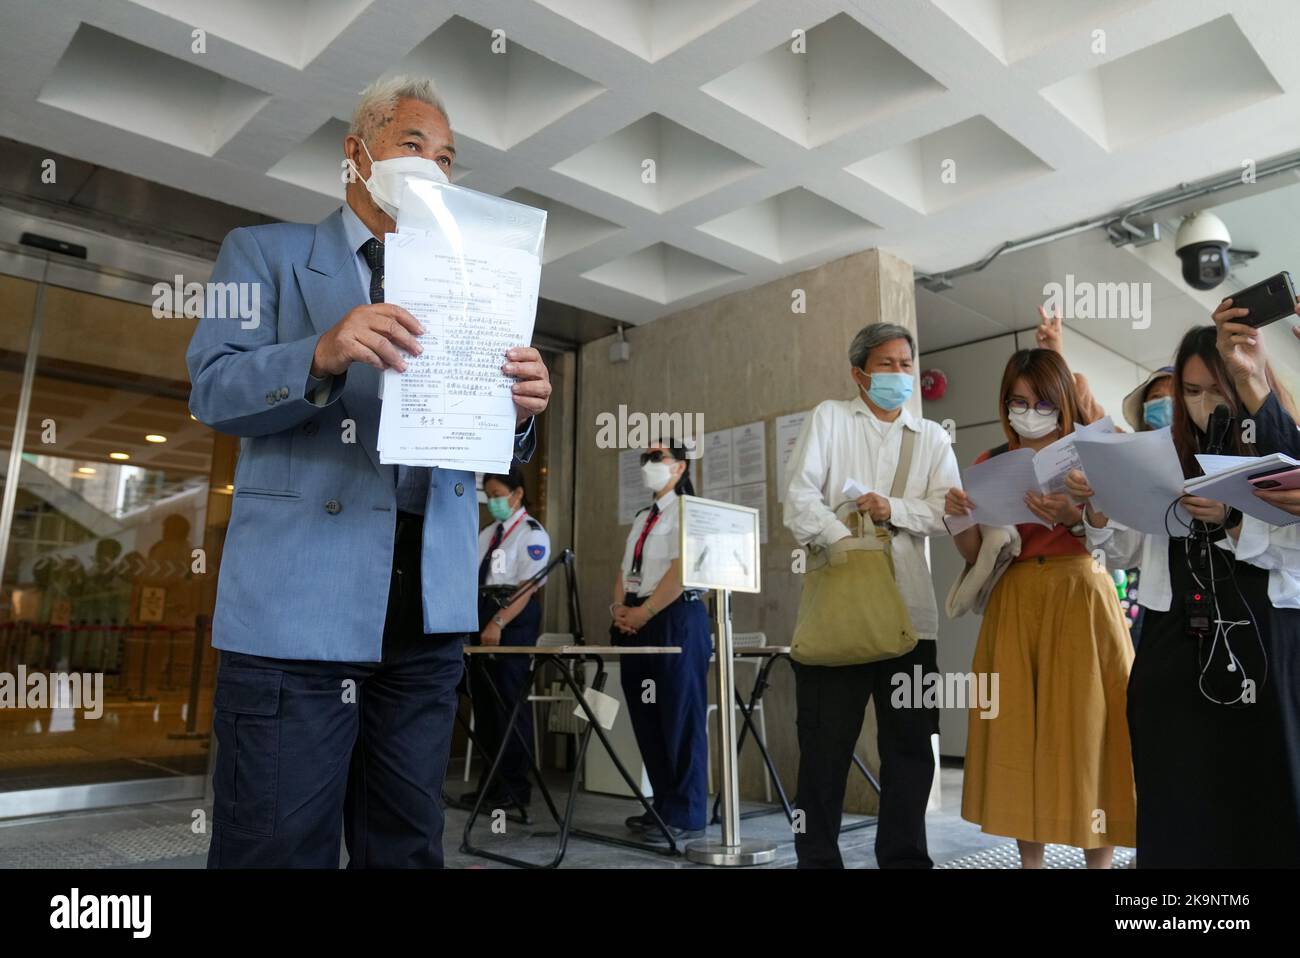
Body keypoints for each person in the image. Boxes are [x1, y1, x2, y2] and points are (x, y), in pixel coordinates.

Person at [187, 75, 551, 868]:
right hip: (299, 607)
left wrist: (517, 417)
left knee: (407, 846)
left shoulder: (472, 284)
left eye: (449, 159)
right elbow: (213, 390)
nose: (434, 168)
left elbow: (479, 445)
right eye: (414, 146)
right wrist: (319, 352)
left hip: (426, 609)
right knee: (278, 845)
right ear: (356, 156)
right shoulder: (266, 253)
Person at [1067, 324, 1300, 866]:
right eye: (1190, 392)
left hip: (1264, 640)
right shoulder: (1164, 456)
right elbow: (1126, 552)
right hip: (1175, 640)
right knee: (1175, 792)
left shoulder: (1280, 444)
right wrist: (1099, 507)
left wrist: (1232, 520)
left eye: (1214, 389)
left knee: (1264, 788)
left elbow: (1292, 552)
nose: (1201, 405)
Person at [947, 348, 1135, 868]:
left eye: (1041, 401)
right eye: (1016, 401)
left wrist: (1075, 513)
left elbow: (1115, 541)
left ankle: (1099, 865)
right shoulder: (988, 462)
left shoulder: (1091, 453)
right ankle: (1032, 864)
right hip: (1015, 596)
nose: (1028, 412)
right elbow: (972, 554)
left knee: (1093, 730)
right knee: (1016, 731)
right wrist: (958, 518)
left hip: (1082, 592)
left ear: (1063, 402)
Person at [784, 322, 961, 869]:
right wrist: (849, 543)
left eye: (907, 363)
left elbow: (946, 510)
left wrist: (893, 511)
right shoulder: (830, 418)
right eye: (887, 364)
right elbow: (798, 498)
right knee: (823, 750)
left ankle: (905, 860)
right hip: (838, 615)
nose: (900, 374)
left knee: (910, 750)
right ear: (859, 371)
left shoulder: (930, 436)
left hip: (912, 620)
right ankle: (817, 860)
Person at [611, 437, 711, 846]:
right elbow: (624, 569)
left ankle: (687, 812)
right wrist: (619, 608)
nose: (649, 464)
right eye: (645, 458)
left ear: (680, 467)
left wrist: (645, 612)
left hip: (675, 617)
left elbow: (682, 569)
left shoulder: (691, 512)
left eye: (658, 457)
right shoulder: (642, 516)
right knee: (647, 716)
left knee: (680, 717)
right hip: (637, 620)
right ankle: (664, 805)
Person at [461, 466, 550, 810]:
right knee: (485, 708)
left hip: (511, 617)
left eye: (499, 496)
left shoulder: (531, 534)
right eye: (490, 496)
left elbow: (528, 588)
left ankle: (514, 787)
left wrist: (498, 621)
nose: (494, 502)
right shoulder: (488, 534)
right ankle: (491, 785)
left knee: (509, 706)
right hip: (483, 614)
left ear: (517, 494)